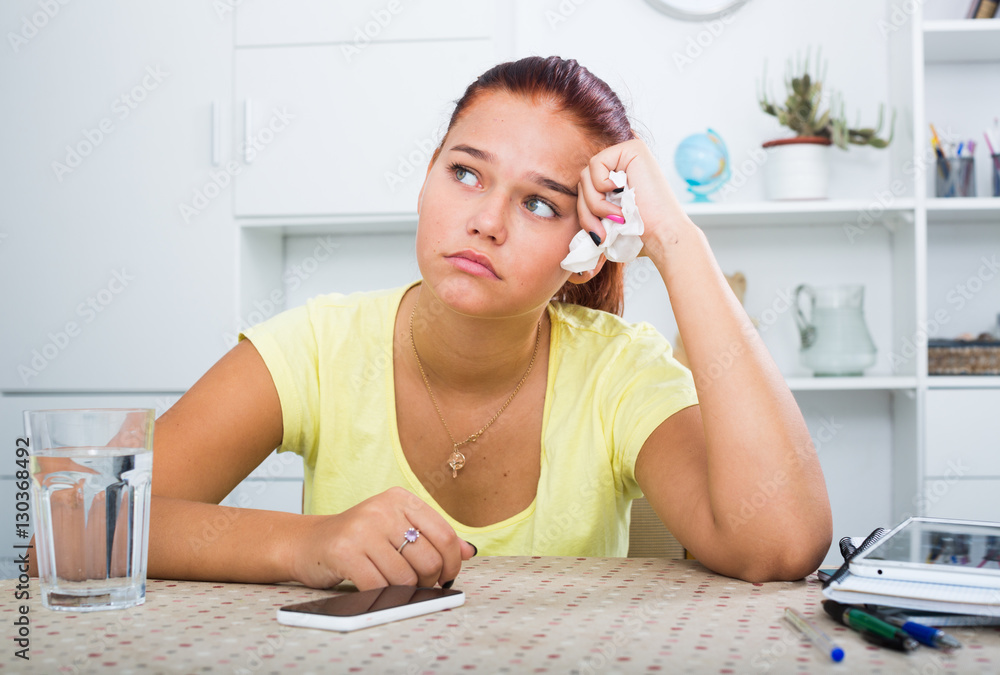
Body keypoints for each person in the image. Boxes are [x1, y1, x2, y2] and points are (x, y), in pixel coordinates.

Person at [146, 55, 832, 591]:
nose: (485, 221)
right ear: (426, 178)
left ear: (586, 254)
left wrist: (675, 237)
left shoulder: (620, 371)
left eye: (539, 204)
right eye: (466, 173)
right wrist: (308, 543)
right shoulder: (318, 346)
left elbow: (779, 544)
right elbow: (88, 521)